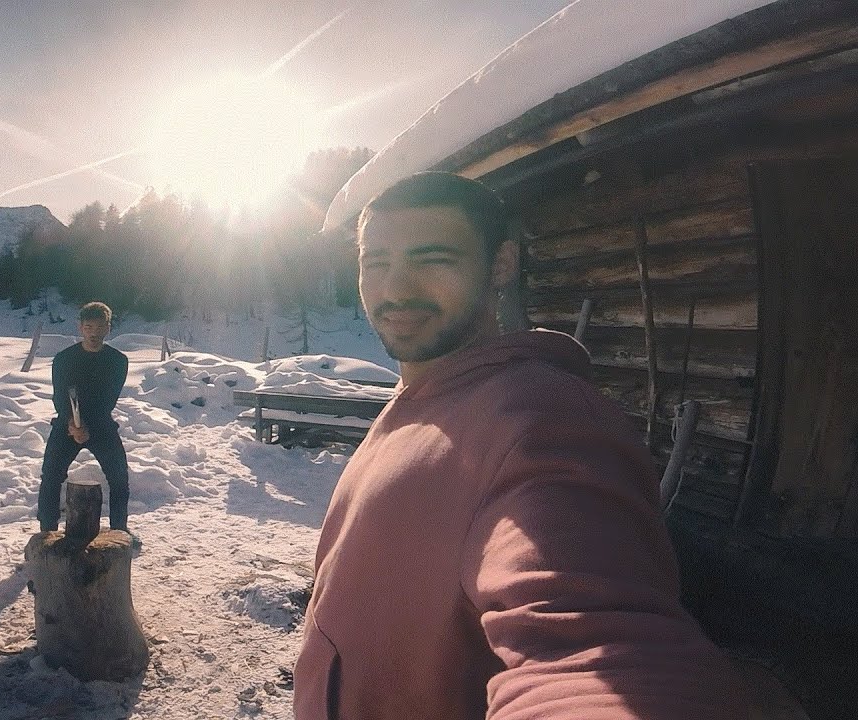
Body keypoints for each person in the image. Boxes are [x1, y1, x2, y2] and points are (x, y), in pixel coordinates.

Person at [293, 172, 747, 719]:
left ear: (501, 265)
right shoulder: (423, 397)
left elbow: (591, 646)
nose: (395, 289)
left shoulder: (540, 417)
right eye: (376, 263)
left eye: (433, 259)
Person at [38, 301, 131, 533]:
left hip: (100, 423)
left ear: (108, 328)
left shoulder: (118, 361)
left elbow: (108, 400)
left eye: (99, 328)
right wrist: (72, 424)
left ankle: (119, 530)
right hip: (67, 423)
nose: (94, 334)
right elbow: (60, 396)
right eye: (89, 327)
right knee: (50, 476)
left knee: (119, 477)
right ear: (80, 328)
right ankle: (47, 531)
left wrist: (88, 427)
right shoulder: (64, 359)